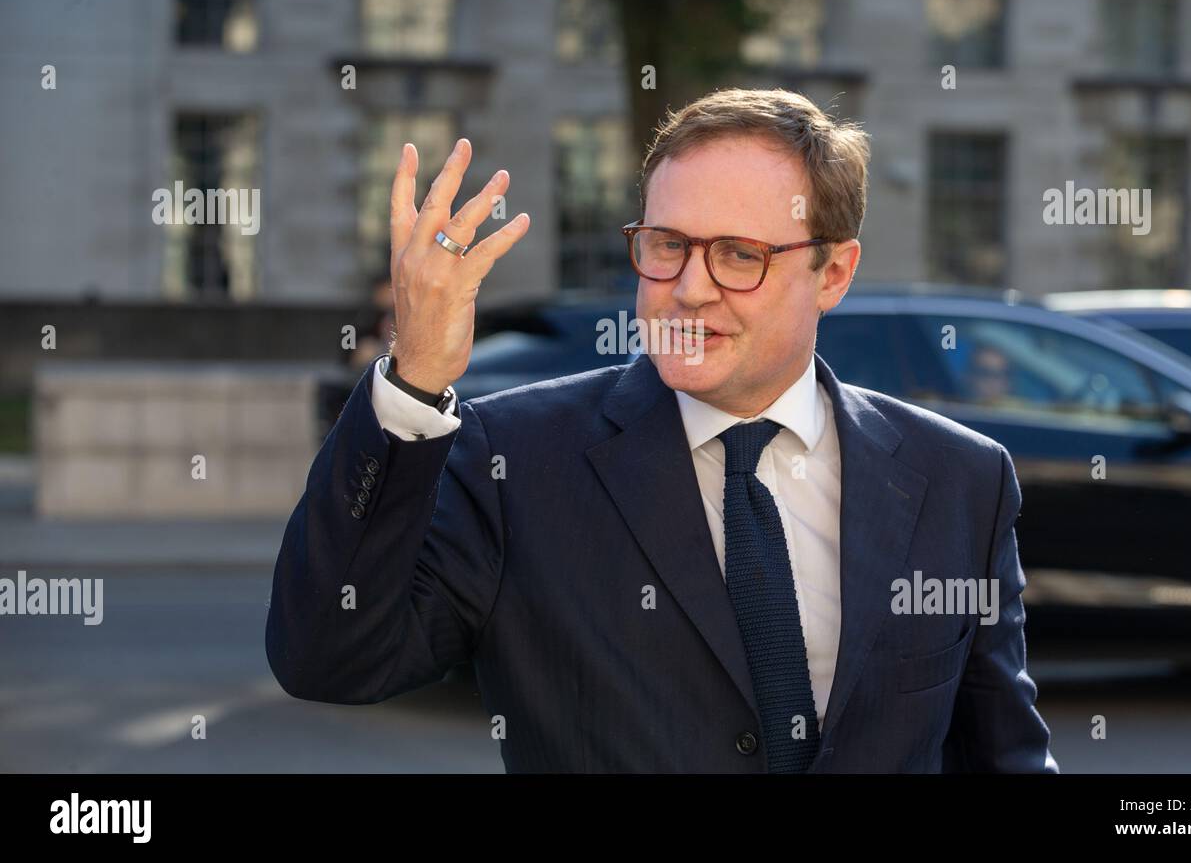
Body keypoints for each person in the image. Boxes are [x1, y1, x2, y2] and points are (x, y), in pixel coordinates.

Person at [265, 88, 1058, 773]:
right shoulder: (514, 459)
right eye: (667, 246)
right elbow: (329, 658)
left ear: (835, 273)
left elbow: (1003, 757)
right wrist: (413, 381)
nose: (688, 290)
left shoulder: (959, 479)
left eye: (739, 255)